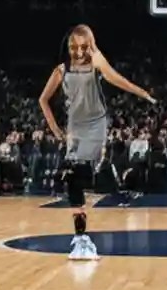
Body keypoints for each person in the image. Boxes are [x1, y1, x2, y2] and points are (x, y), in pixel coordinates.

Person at [38, 24, 156, 260]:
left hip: (96, 125)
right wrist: (56, 130)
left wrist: (142, 93)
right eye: (74, 47)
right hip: (74, 129)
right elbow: (43, 100)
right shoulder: (61, 71)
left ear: (90, 46)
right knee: (73, 179)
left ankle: (82, 236)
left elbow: (117, 79)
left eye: (83, 46)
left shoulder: (96, 63)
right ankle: (81, 238)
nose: (79, 52)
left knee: (78, 174)